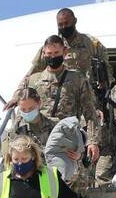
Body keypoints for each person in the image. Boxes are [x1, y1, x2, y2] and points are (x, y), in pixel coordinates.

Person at [12, 36, 100, 176]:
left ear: (64, 53)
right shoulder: (34, 80)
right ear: (44, 54)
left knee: (69, 184)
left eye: (56, 53)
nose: (52, 57)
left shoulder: (77, 79)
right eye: (49, 54)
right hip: (37, 141)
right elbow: (23, 109)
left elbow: (90, 113)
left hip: (65, 140)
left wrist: (92, 141)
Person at [8, 7, 109, 114]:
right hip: (61, 98)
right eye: (60, 25)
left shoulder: (90, 43)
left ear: (75, 21)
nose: (64, 27)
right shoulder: (52, 46)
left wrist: (105, 89)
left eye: (67, 23)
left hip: (86, 96)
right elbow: (31, 73)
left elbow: (106, 68)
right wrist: (17, 96)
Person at [0, 88, 59, 163]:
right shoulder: (15, 131)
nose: (27, 112)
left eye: (31, 108)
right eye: (23, 109)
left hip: (52, 172)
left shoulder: (55, 126)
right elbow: (8, 160)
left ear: (39, 103)